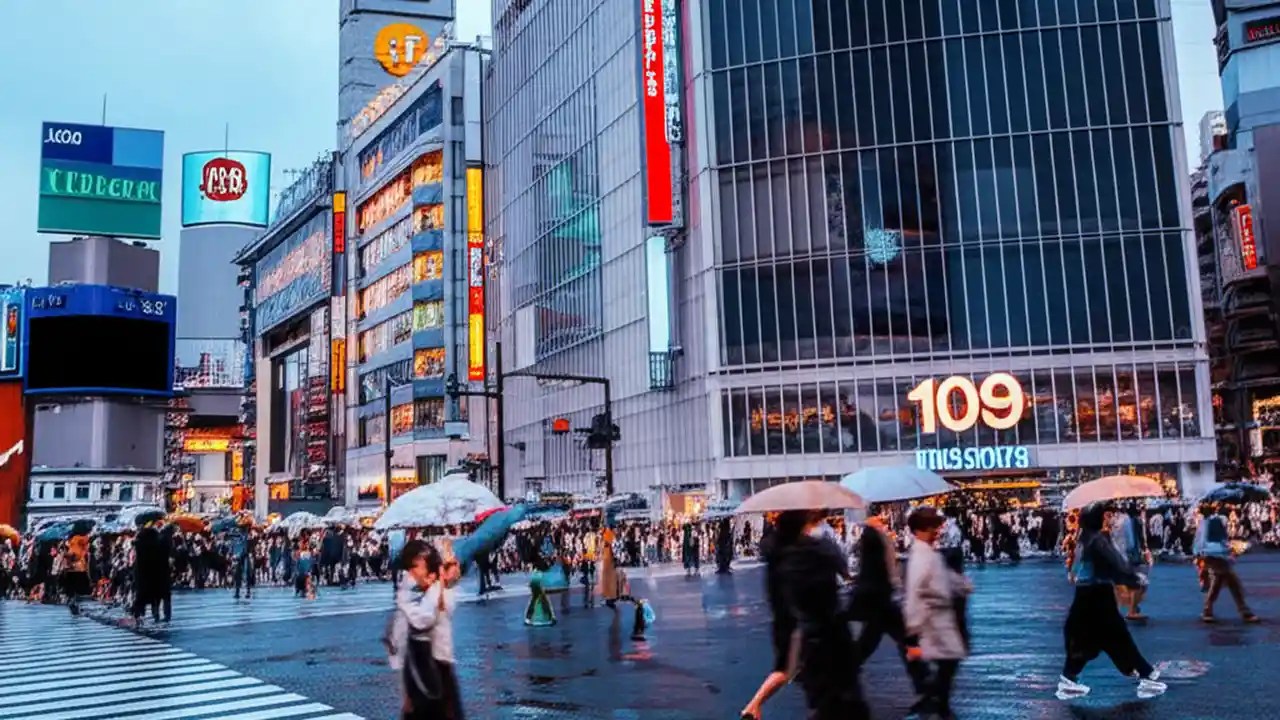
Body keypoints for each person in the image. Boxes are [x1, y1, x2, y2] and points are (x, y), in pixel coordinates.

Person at [1057, 504, 1166, 701]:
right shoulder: (1099, 539)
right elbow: (1115, 563)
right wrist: (1134, 578)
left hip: (1085, 593)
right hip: (1099, 593)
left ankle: (1069, 677)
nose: (1108, 519)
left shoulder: (1083, 538)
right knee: (1116, 636)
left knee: (1087, 637)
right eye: (1104, 516)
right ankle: (1145, 673)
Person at [775, 510, 868, 719]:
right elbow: (844, 569)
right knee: (848, 694)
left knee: (821, 697)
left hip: (809, 635)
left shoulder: (785, 560)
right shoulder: (822, 547)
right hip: (835, 630)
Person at [903, 507, 972, 720]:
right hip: (934, 624)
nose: (938, 530)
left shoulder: (927, 553)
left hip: (939, 622)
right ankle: (933, 705)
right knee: (947, 667)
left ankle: (934, 705)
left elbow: (939, 577)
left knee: (946, 667)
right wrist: (913, 630)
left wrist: (959, 584)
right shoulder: (922, 556)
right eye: (934, 526)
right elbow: (915, 593)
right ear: (922, 529)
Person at [395, 540, 465, 720]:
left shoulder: (437, 593)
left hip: (438, 671)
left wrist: (443, 582)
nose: (412, 573)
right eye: (410, 567)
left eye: (416, 567)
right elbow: (421, 622)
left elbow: (428, 617)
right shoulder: (424, 593)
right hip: (424, 669)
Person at [1194, 503, 1260, 624]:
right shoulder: (1215, 521)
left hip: (1212, 555)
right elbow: (1220, 541)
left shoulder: (1204, 522)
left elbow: (1200, 542)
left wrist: (1200, 555)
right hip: (1217, 555)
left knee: (1221, 581)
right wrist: (1230, 550)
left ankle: (1208, 609)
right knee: (1230, 582)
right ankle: (1244, 611)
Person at [61, 534, 91, 616]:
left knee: (75, 590)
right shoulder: (73, 546)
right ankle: (74, 603)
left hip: (77, 571)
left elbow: (75, 557)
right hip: (75, 571)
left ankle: (75, 603)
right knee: (74, 591)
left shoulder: (76, 545)